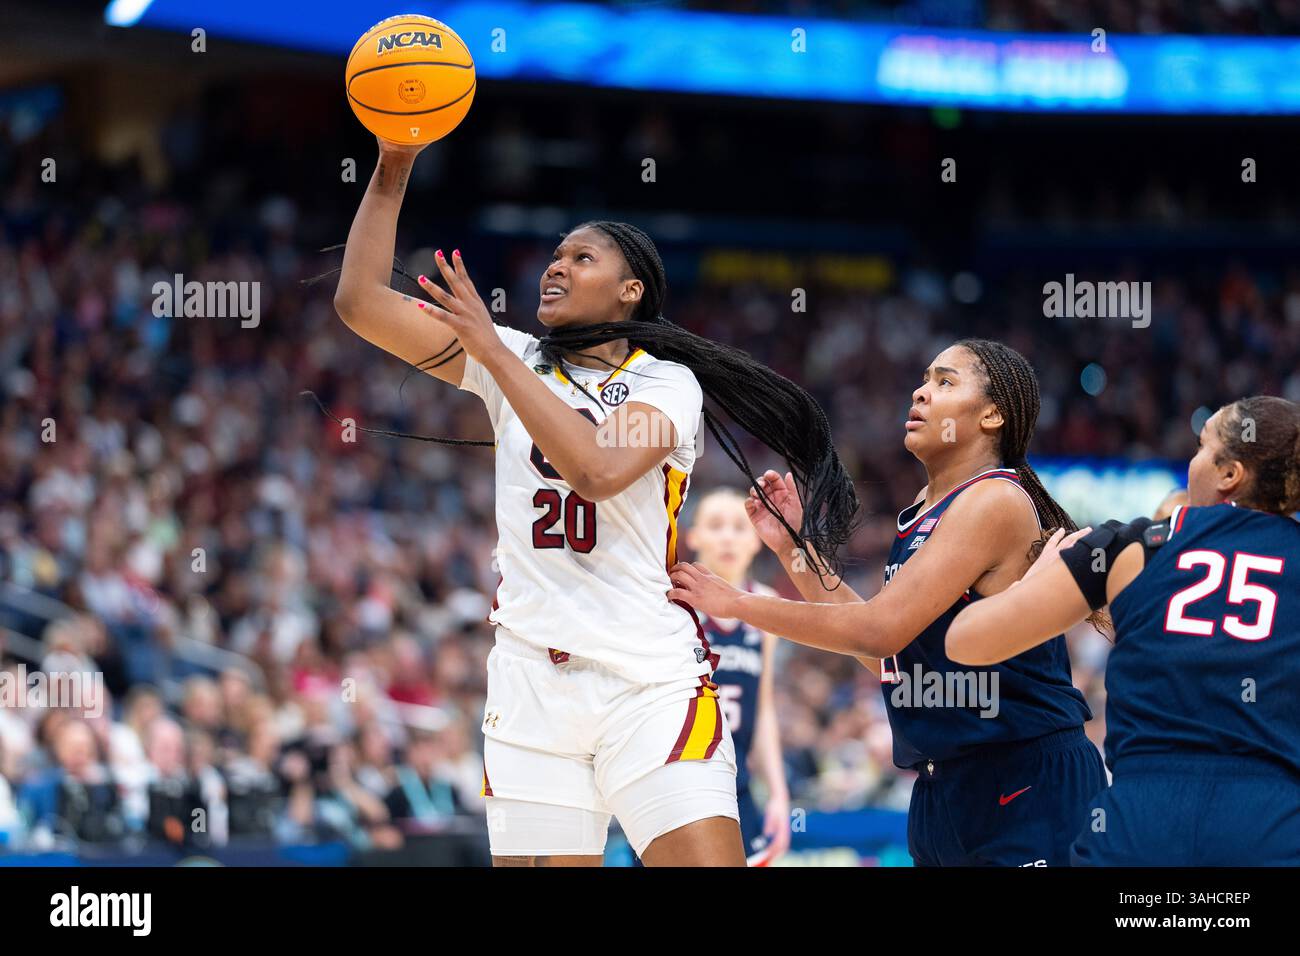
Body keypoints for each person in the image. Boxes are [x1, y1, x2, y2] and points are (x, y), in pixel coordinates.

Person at [331, 138, 857, 866]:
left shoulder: (664, 385)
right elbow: (359, 302)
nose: (556, 264)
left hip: (647, 680)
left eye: (582, 258)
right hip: (528, 684)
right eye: (555, 254)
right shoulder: (507, 356)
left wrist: (493, 355)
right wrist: (392, 167)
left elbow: (598, 470)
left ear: (629, 290)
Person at [668, 340, 1105, 866]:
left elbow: (877, 629)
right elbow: (892, 657)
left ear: (992, 415)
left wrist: (736, 603)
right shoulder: (924, 510)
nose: (921, 391)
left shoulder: (994, 500)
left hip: (1025, 779)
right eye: (924, 379)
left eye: (945, 382)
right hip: (945, 789)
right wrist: (793, 551)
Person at [947, 396, 1300, 865]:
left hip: (1139, 825)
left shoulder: (1133, 547)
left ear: (1229, 475)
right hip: (1272, 825)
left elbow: (965, 641)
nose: (1191, 461)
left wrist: (1031, 581)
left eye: (1201, 446)